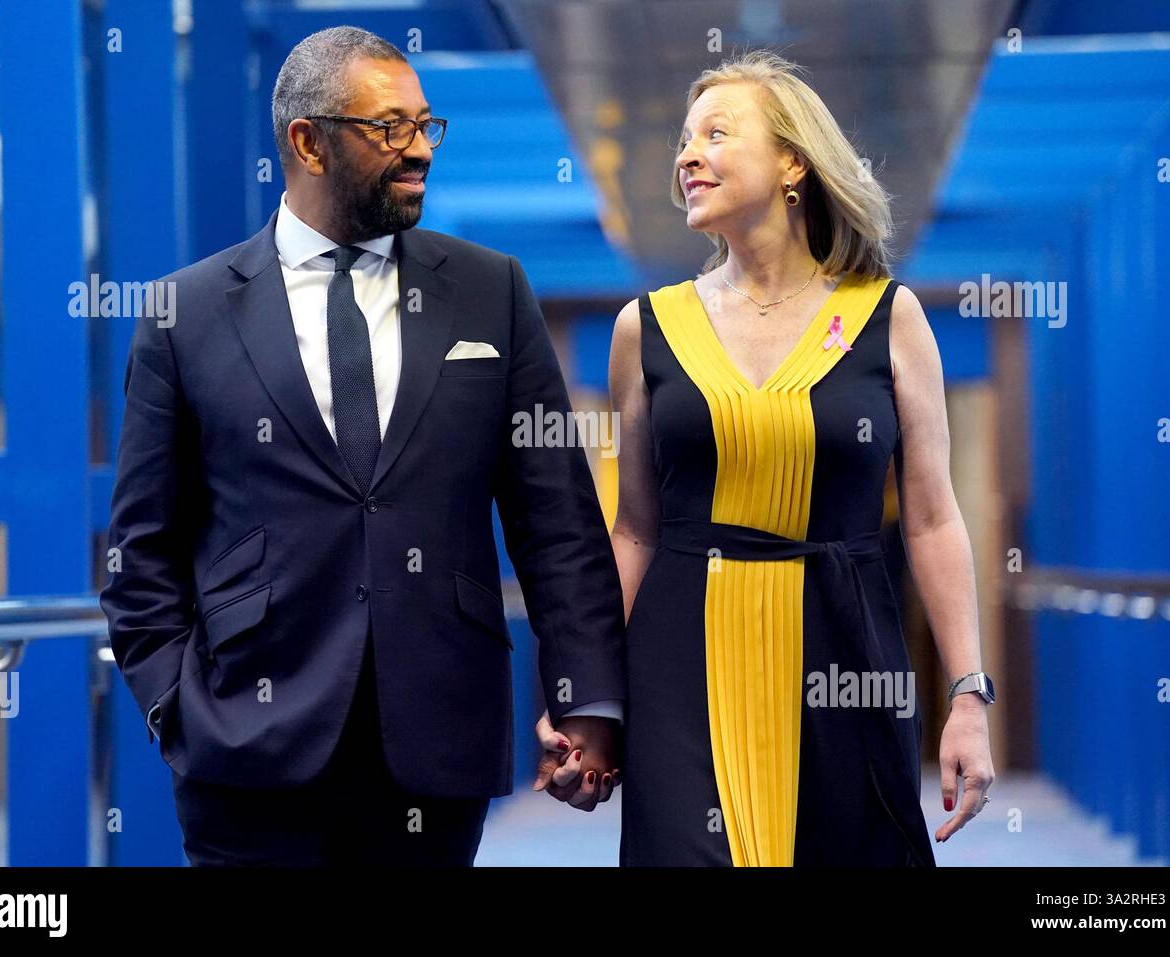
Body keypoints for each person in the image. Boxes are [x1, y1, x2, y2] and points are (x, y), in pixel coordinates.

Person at [100, 25, 624, 867]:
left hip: (435, 749)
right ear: (307, 141)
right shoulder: (185, 314)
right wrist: (178, 715)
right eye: (390, 128)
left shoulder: (490, 291)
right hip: (247, 759)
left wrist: (587, 699)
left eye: (425, 125)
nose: (419, 149)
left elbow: (557, 524)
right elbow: (142, 553)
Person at [537, 50, 996, 865]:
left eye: (716, 133)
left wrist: (968, 695)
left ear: (793, 162)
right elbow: (634, 529)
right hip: (680, 659)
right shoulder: (646, 328)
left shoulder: (888, 318)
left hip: (845, 653)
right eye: (683, 139)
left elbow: (930, 518)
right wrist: (588, 699)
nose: (687, 154)